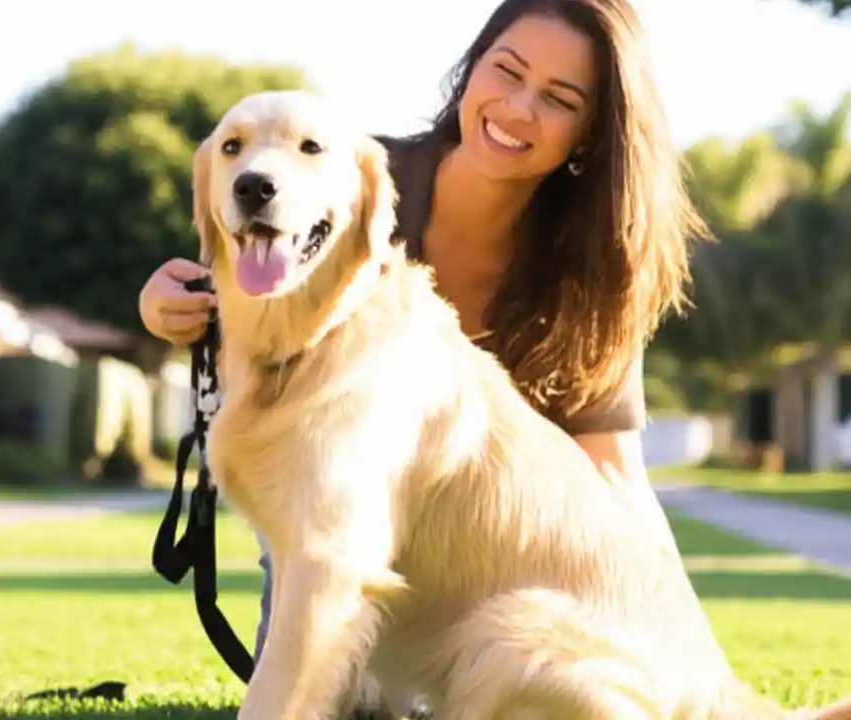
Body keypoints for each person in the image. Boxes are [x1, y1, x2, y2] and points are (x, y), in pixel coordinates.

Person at [139, 0, 702, 688]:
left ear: (589, 135)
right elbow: (248, 271)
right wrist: (163, 302)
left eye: (558, 98)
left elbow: (615, 474)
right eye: (507, 71)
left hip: (474, 557)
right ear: (471, 74)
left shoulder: (591, 279)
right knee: (311, 666)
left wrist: (689, 655)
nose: (518, 107)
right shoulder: (352, 176)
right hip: (327, 502)